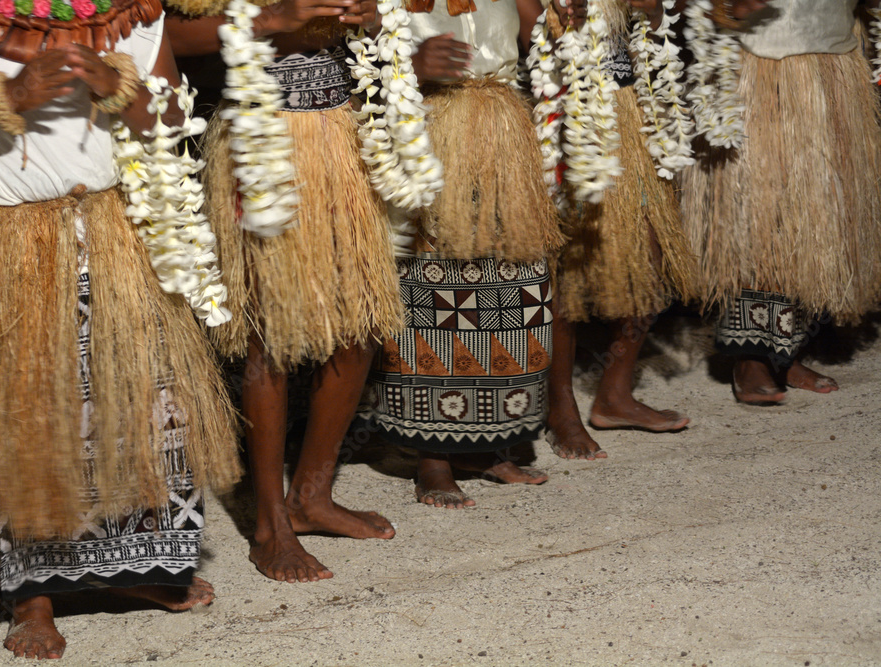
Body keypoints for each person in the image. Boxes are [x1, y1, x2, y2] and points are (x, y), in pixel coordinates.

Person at [0, 0, 241, 657]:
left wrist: (117, 87)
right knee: (18, 415)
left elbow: (169, 118)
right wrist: (4, 97)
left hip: (109, 232)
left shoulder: (128, 14)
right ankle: (30, 595)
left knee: (142, 406)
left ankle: (136, 568)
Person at [165, 0, 403, 583]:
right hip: (262, 142)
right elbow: (167, 35)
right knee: (267, 335)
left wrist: (374, 16)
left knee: (361, 324)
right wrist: (270, 20)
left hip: (342, 135)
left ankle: (312, 496)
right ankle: (270, 522)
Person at [359, 0, 565, 508]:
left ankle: (490, 445)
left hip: (502, 130)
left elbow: (542, 35)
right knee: (433, 292)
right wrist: (406, 65)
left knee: (514, 291)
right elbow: (347, 56)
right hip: (423, 128)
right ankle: (432, 458)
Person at [679, 0, 881, 405]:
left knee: (813, 213)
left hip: (833, 65)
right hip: (756, 66)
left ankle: (785, 352)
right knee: (757, 212)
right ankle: (750, 356)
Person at [545, 0, 698, 461]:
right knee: (567, 272)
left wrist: (651, 13)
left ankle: (614, 393)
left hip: (627, 107)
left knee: (647, 252)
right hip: (559, 109)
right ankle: (560, 405)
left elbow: (671, 16)